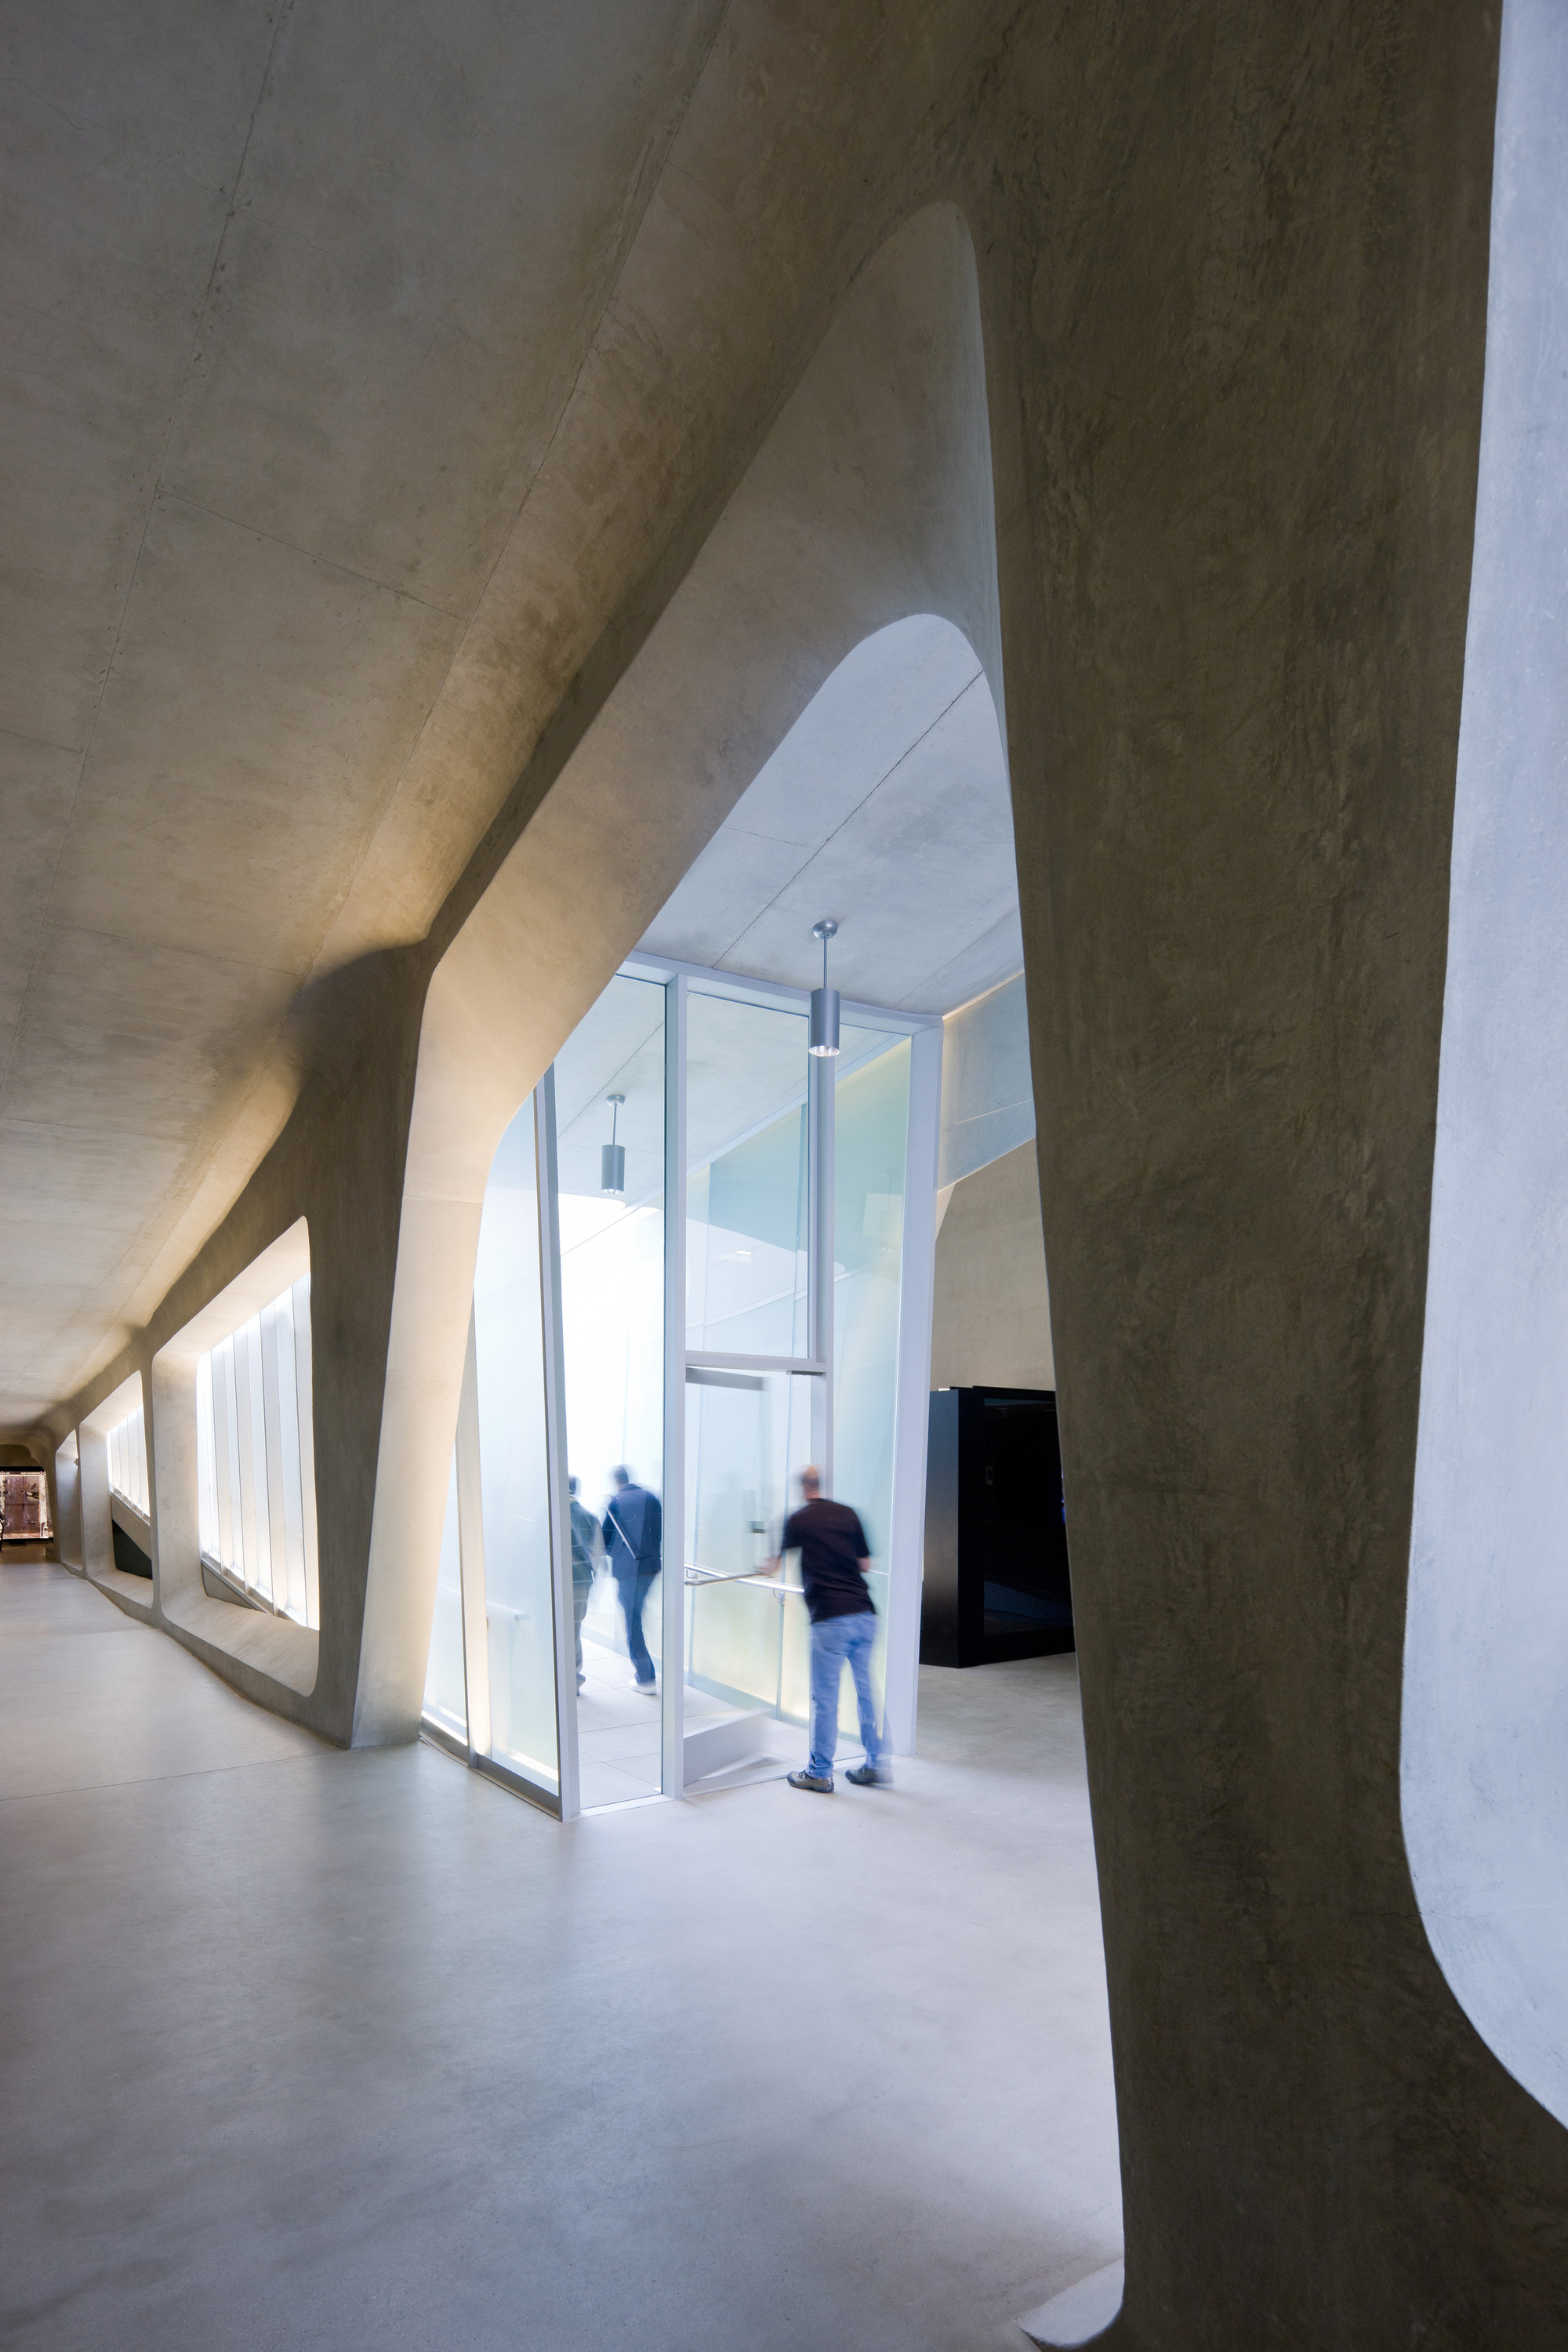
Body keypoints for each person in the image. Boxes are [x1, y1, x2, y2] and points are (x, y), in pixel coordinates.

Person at [762, 1465, 889, 1791]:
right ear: (821, 1486)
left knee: (825, 1699)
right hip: (864, 1614)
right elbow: (865, 1564)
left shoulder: (799, 1519)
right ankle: (876, 1764)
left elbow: (773, 1563)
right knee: (865, 1693)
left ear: (803, 1489)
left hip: (830, 1619)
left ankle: (820, 1772)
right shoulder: (848, 1514)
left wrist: (767, 1567)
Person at [601, 1465, 661, 1693]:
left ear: (617, 1480)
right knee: (637, 1614)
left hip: (628, 1571)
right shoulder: (651, 1497)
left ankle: (645, 1677)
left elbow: (605, 1543)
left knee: (632, 1619)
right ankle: (645, 1673)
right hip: (651, 1568)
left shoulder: (615, 1501)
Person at [567, 1475, 601, 1690]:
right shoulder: (590, 1516)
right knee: (574, 1631)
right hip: (580, 1581)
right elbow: (598, 1555)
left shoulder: (550, 1514)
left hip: (553, 1582)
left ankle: (554, 1678)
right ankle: (574, 1682)